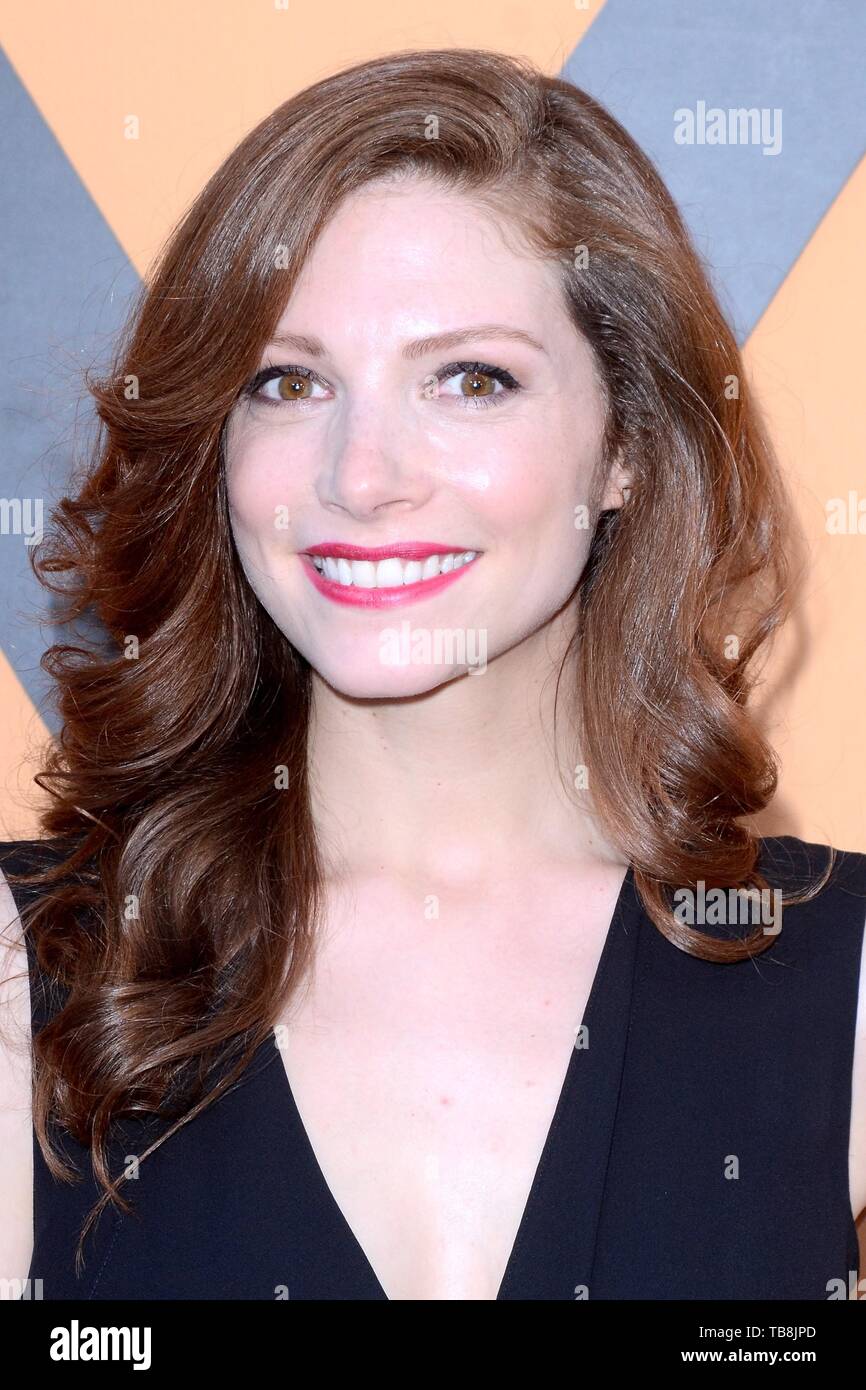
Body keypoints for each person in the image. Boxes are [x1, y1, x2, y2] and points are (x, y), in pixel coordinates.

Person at [0, 47, 864, 1302]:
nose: (361, 476)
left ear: (624, 445)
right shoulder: (33, 970)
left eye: (470, 379)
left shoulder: (832, 978)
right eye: (288, 383)